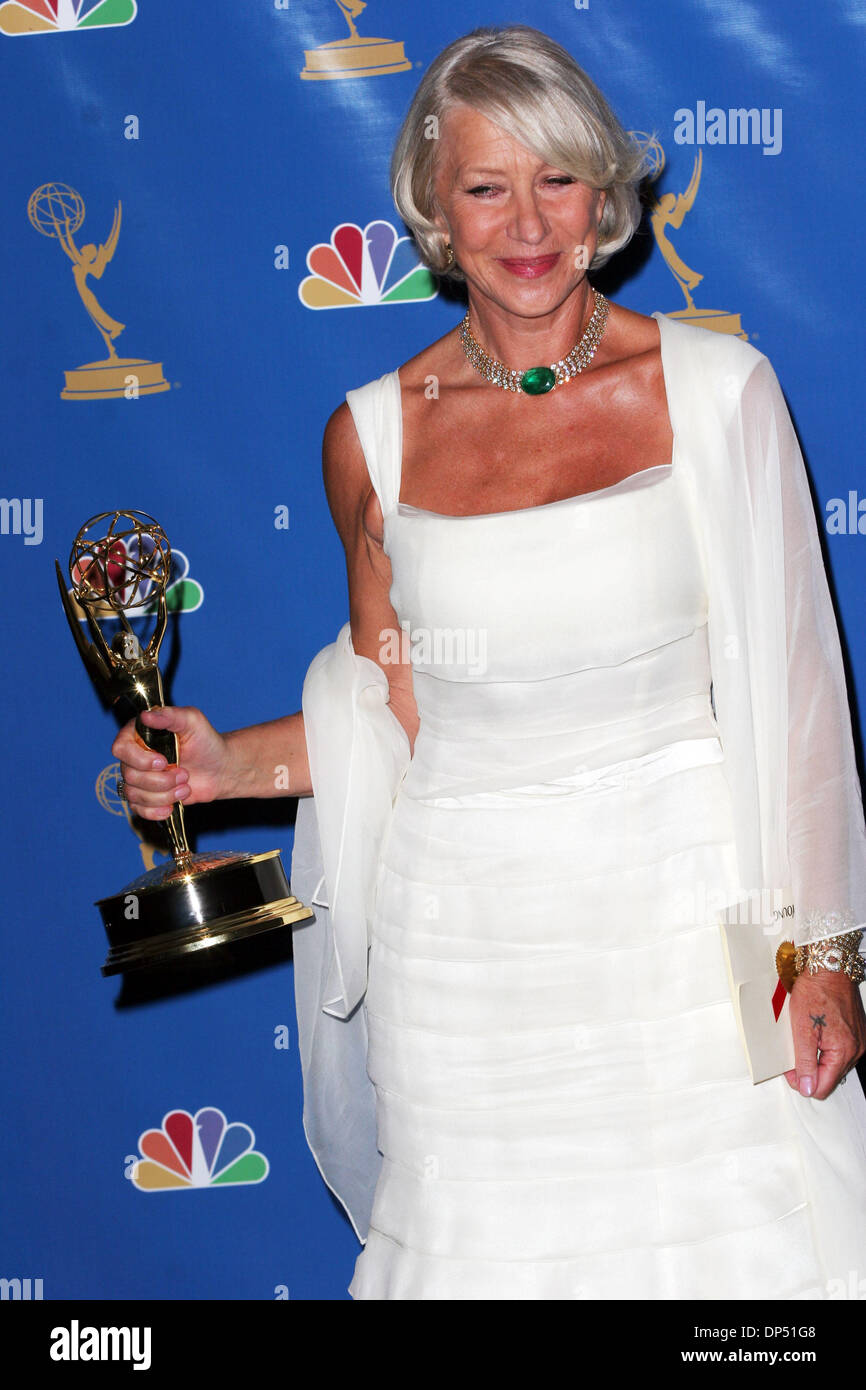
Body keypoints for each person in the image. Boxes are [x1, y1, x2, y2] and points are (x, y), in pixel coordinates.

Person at [114, 25, 866, 1300]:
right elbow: (388, 707)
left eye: (555, 180)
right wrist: (224, 765)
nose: (525, 223)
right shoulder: (369, 440)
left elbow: (795, 702)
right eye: (484, 187)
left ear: (601, 200)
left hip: (687, 929)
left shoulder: (714, 390)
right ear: (432, 208)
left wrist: (824, 965)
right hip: (461, 955)